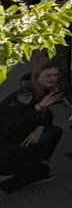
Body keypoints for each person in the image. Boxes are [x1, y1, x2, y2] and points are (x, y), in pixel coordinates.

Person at [0, 63, 65, 193]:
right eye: (48, 75)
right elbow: (13, 119)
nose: (53, 78)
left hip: (13, 140)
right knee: (49, 138)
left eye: (55, 75)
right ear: (37, 76)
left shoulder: (41, 91)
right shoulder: (27, 94)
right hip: (7, 145)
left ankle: (28, 167)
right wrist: (39, 107)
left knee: (53, 132)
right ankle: (20, 172)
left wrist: (40, 125)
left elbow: (46, 115)